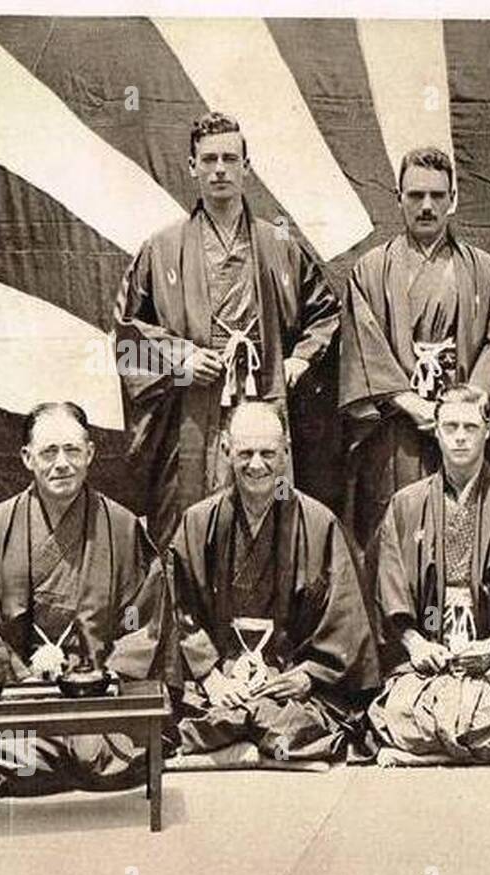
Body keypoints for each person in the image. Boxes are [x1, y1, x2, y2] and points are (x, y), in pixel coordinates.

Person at [114, 111, 339, 549]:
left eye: (230, 159)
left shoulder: (279, 245)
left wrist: (300, 357)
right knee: (190, 526)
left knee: (271, 520)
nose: (220, 169)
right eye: (210, 159)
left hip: (263, 395)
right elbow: (125, 338)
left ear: (246, 168)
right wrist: (181, 361)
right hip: (195, 408)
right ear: (192, 166)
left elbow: (326, 312)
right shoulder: (162, 248)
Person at [0, 402, 168, 796]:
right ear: (27, 458)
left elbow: (145, 613)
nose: (61, 463)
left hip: (99, 699)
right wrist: (22, 678)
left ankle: (49, 764)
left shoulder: (122, 526)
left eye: (72, 450)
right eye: (49, 452)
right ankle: (65, 761)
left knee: (111, 749)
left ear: (90, 453)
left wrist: (108, 674)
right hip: (19, 698)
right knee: (9, 748)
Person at [166, 402, 378, 763]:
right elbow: (178, 609)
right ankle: (257, 744)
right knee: (174, 714)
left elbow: (345, 618)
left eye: (268, 453)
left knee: (303, 717)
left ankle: (230, 747)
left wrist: (309, 676)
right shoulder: (198, 522)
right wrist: (209, 676)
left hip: (287, 679)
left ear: (285, 455)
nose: (256, 465)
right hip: (222, 679)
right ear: (225, 450)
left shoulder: (317, 522)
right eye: (245, 453)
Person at [338, 146, 490, 573]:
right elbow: (365, 344)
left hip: (461, 425)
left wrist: (459, 409)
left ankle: (461, 622)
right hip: (395, 429)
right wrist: (412, 404)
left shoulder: (483, 270)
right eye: (415, 195)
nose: (427, 206)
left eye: (437, 195)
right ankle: (396, 635)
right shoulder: (371, 269)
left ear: (454, 197)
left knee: (464, 521)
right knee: (392, 529)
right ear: (398, 197)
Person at [368, 387, 490, 765]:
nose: (460, 436)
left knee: (481, 714)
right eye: (450, 427)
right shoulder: (406, 503)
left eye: (470, 426)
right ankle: (486, 748)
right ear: (435, 430)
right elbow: (390, 582)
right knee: (403, 714)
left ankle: (430, 753)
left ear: (488, 430)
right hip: (430, 647)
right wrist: (415, 644)